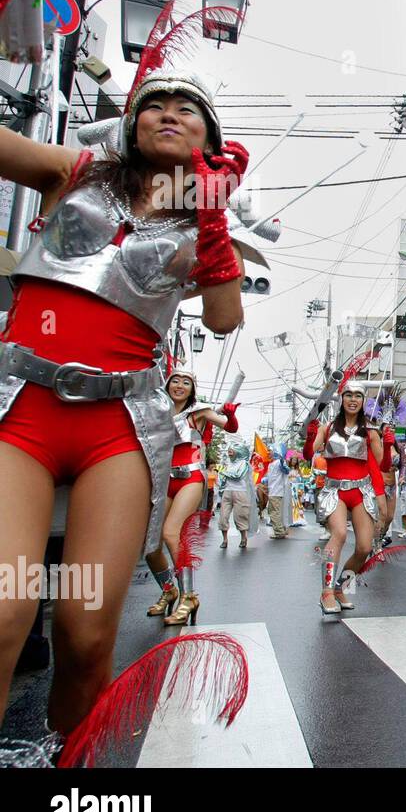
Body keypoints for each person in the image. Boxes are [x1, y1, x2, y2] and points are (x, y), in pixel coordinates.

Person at [0, 58, 254, 745]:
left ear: (210, 141)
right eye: (155, 103)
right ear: (132, 123)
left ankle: (67, 774)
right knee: (2, 612)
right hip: (21, 405)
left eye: (189, 108)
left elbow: (227, 317)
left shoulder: (201, 226)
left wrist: (212, 219)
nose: (169, 111)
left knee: (84, 633)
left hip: (118, 427)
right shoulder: (73, 172)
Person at [144, 368, 238, 626]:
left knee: (171, 532)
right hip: (163, 479)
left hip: (191, 478)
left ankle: (189, 596)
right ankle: (168, 590)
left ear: (192, 389)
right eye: (175, 380)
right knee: (150, 545)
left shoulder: (200, 412)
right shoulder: (155, 411)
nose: (180, 385)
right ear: (168, 384)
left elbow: (229, 427)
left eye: (186, 382)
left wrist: (230, 415)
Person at [305, 382, 391, 616]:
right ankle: (326, 592)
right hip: (335, 491)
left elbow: (380, 465)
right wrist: (309, 435)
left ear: (364, 401)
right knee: (339, 534)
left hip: (361, 491)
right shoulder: (327, 427)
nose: (353, 399)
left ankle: (341, 587)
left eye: (358, 396)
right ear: (342, 399)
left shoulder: (370, 431)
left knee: (364, 547)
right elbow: (308, 454)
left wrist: (389, 443)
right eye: (349, 395)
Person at [216, 442, 255, 549]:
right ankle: (224, 540)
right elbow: (224, 480)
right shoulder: (229, 464)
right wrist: (221, 487)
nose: (229, 453)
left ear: (239, 452)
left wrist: (223, 473)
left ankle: (243, 538)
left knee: (240, 517)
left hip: (240, 492)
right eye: (229, 451)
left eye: (231, 450)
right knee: (223, 517)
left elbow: (238, 476)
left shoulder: (244, 463)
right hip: (227, 492)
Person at [262, 446, 291, 540]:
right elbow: (271, 477)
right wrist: (265, 480)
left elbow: (286, 471)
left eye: (269, 450)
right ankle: (281, 529)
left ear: (275, 451)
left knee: (274, 512)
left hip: (277, 491)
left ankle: (279, 532)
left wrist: (283, 464)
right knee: (274, 512)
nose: (268, 452)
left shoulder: (279, 462)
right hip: (273, 491)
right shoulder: (272, 464)